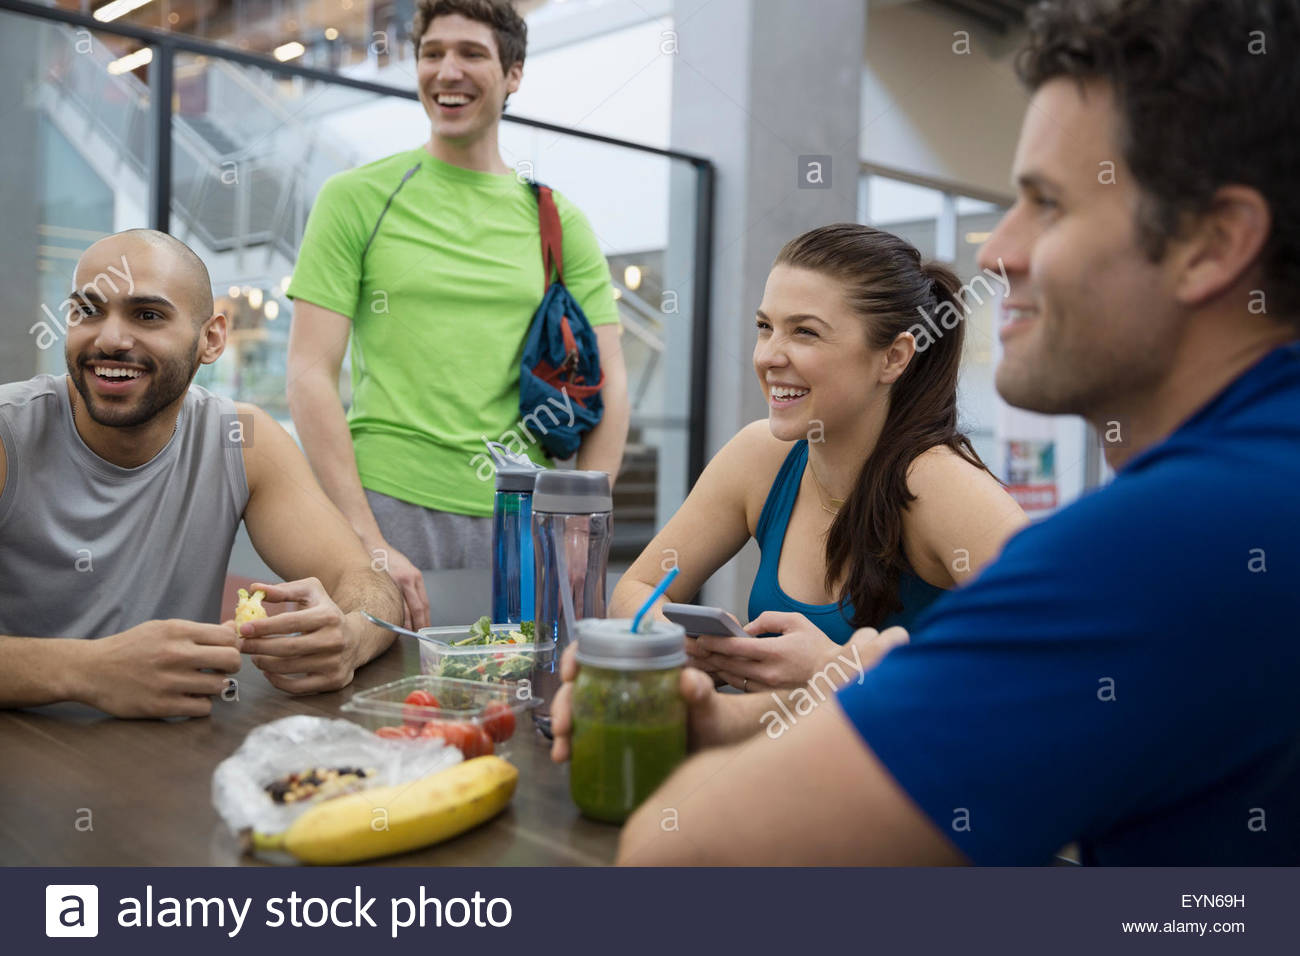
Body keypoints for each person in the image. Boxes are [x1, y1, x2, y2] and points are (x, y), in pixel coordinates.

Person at [555, 0, 1300, 864]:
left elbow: (674, 856)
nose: (996, 251)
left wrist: (851, 680)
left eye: (1046, 205)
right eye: (766, 327)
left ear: (1213, 244)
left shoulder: (1168, 542)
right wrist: (728, 716)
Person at [286, 0, 629, 632]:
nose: (448, 71)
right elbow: (309, 373)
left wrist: (581, 529)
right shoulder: (356, 198)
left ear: (514, 73)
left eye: (471, 53)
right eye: (432, 53)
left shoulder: (558, 221)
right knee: (388, 698)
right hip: (388, 502)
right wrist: (365, 537)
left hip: (524, 511)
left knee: (520, 699)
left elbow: (611, 379)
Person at [0, 230, 404, 718]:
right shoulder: (9, 432)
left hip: (174, 761)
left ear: (210, 339)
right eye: (89, 311)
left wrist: (350, 637)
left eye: (147, 315)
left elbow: (369, 581)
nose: (109, 339)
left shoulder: (244, 438)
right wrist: (88, 670)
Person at [609, 224, 1026, 691]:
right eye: (765, 327)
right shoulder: (761, 455)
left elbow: (1053, 660)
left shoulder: (941, 484)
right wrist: (678, 642)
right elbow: (634, 593)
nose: (768, 356)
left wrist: (834, 666)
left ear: (893, 358)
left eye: (805, 332)